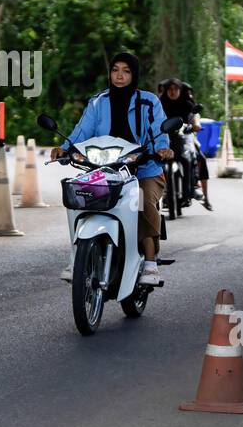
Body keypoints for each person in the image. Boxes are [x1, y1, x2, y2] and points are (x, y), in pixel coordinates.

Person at [52, 53, 173, 283]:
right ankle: (77, 255)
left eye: (126, 71)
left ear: (134, 74)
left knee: (143, 200)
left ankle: (149, 262)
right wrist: (65, 148)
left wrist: (162, 149)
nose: (119, 75)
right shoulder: (98, 101)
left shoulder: (149, 101)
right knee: (80, 193)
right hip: (105, 168)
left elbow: (159, 132)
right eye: (115, 69)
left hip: (144, 169)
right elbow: (82, 131)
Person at [158, 77, 211, 211]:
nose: (173, 92)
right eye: (170, 89)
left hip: (186, 135)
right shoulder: (160, 103)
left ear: (180, 90)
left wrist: (196, 124)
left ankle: (203, 194)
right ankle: (158, 193)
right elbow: (153, 117)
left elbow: (195, 115)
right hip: (165, 138)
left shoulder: (187, 103)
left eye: (176, 89)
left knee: (200, 157)